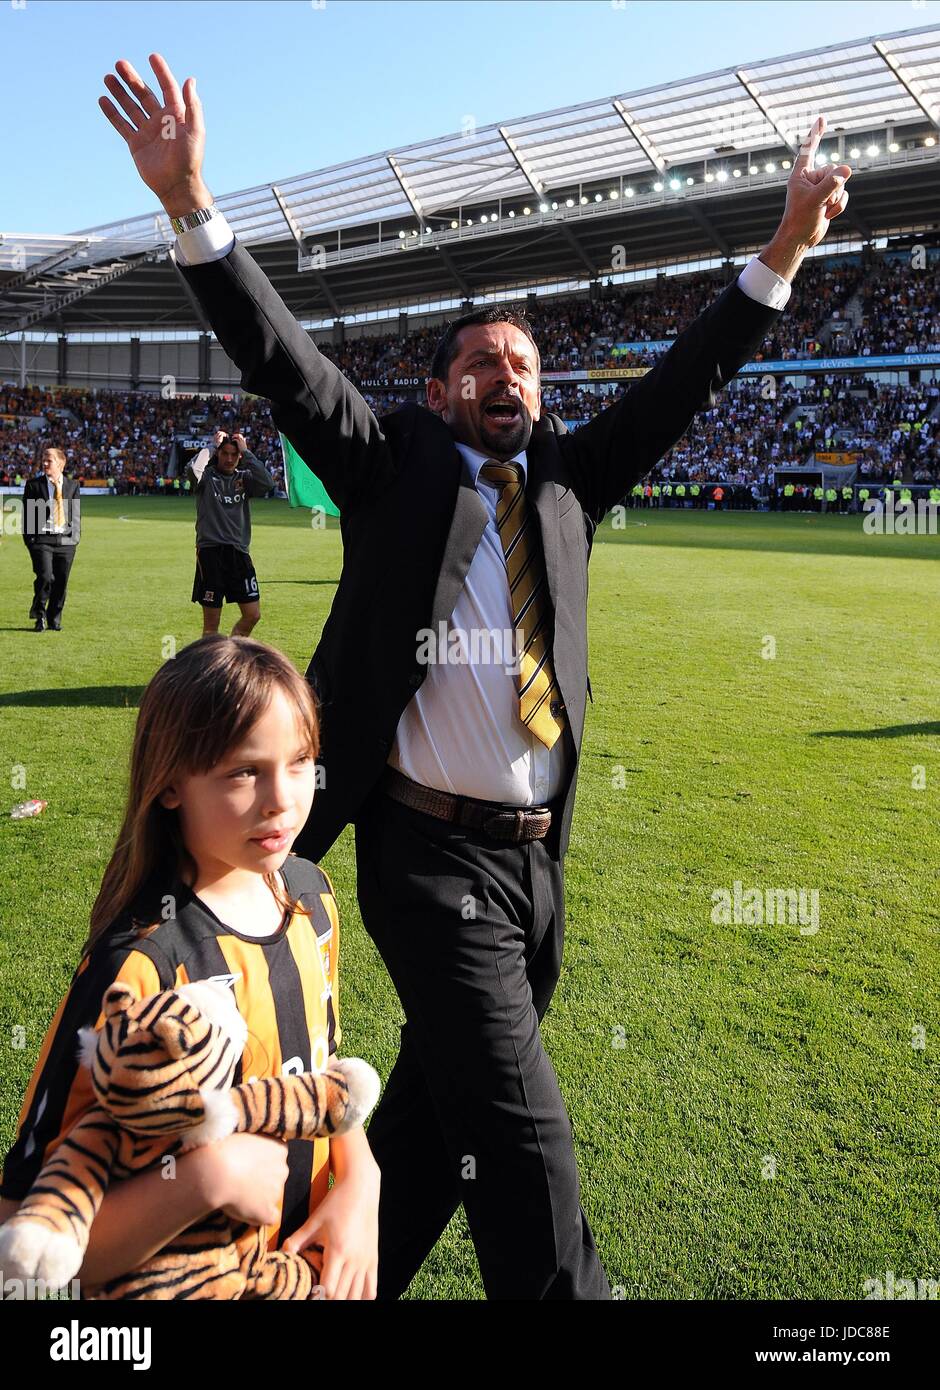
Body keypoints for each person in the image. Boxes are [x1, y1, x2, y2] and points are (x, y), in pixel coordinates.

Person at [99, 54, 851, 1301]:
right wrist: (190, 205)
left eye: (527, 366)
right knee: (523, 1140)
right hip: (425, 858)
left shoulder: (567, 483)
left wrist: (784, 246)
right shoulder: (390, 465)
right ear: (441, 389)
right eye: (486, 364)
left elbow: (684, 382)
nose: (511, 377)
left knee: (439, 1117)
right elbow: (285, 364)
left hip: (538, 862)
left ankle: (317, 1281)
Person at [0, 635, 380, 1300]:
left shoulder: (312, 897)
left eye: (299, 762)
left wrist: (361, 1181)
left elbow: (322, 1071)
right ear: (171, 783)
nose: (281, 799)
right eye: (244, 772)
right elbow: (22, 1240)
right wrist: (206, 1182)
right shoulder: (137, 965)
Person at [187, 428, 275, 638]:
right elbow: (193, 470)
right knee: (211, 627)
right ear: (218, 453)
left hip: (239, 553)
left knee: (252, 615)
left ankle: (232, 651)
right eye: (225, 453)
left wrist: (247, 452)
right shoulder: (207, 478)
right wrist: (211, 446)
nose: (229, 459)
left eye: (234, 454)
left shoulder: (245, 479)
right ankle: (211, 659)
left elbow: (268, 483)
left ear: (239, 456)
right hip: (211, 553)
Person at [22, 445, 81, 631]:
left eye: (49, 460)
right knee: (45, 577)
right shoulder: (33, 485)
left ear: (61, 463)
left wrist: (75, 539)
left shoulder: (73, 486)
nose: (45, 463)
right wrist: (31, 541)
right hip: (41, 540)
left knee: (61, 582)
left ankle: (54, 618)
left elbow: (76, 515)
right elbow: (27, 516)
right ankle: (39, 616)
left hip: (66, 541)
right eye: (44, 460)